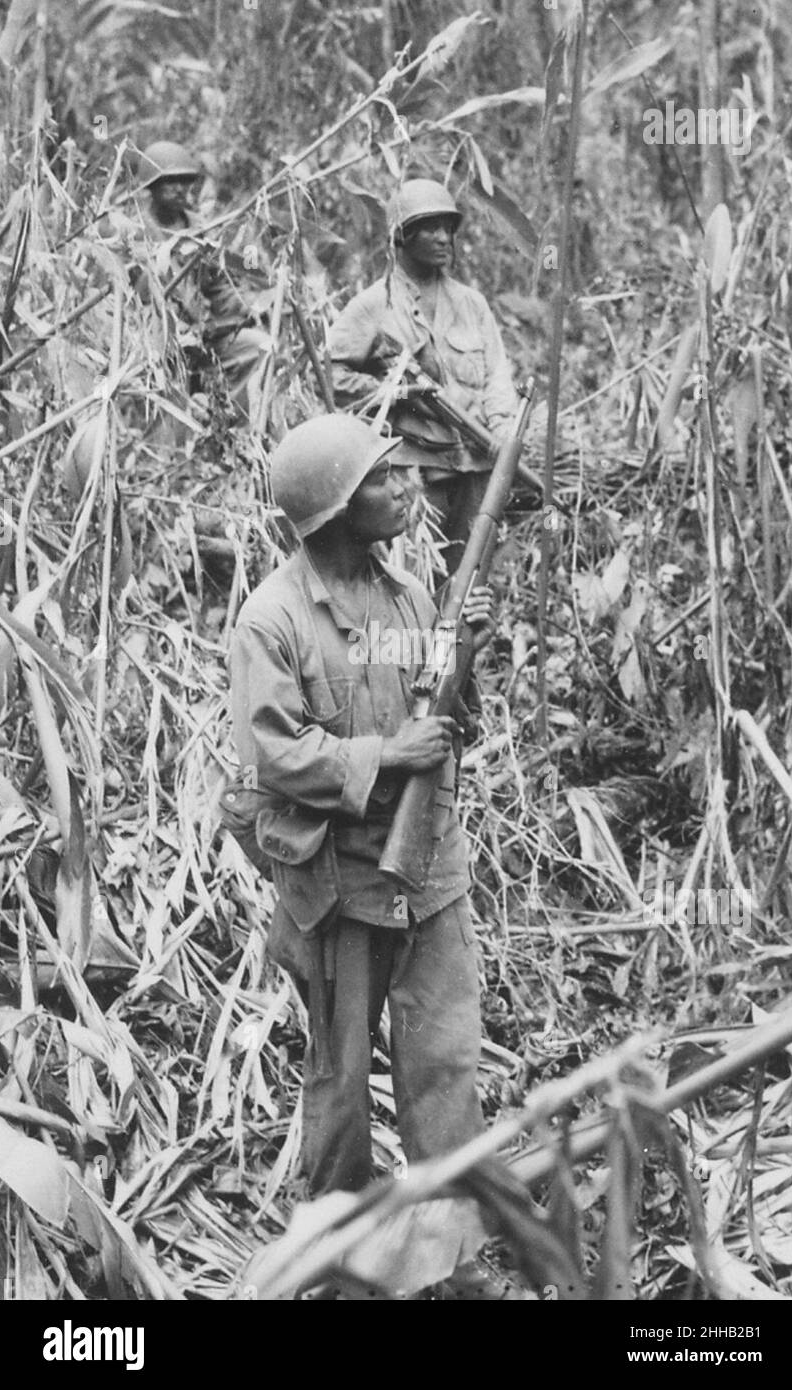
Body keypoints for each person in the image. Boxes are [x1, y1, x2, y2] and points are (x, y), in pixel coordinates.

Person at [224, 413, 527, 1298]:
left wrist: (463, 643)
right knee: (342, 1085)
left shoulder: (408, 596)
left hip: (427, 868)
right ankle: (337, 1261)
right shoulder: (271, 619)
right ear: (332, 512)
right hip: (339, 880)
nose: (403, 489)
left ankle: (455, 1253)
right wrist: (381, 758)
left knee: (442, 1067)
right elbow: (274, 753)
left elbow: (443, 716)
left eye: (398, 475)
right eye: (381, 481)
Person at [328, 178, 519, 573]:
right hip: (412, 472)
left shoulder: (471, 304)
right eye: (430, 227)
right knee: (416, 579)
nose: (443, 237)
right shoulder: (373, 306)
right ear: (402, 236)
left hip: (476, 463)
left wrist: (502, 429)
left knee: (469, 578)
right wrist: (392, 391)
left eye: (448, 227)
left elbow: (498, 374)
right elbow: (332, 376)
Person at [107, 140, 272, 423]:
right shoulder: (133, 232)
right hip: (156, 343)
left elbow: (220, 283)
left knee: (260, 347)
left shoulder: (200, 228)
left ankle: (226, 423)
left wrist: (244, 312)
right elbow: (125, 299)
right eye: (170, 183)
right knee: (167, 391)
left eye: (185, 181)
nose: (180, 189)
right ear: (152, 186)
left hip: (203, 337)